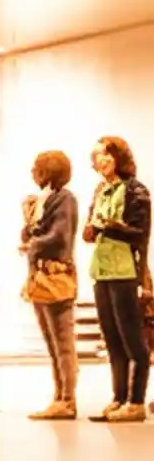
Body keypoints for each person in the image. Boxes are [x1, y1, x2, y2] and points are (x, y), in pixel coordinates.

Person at [83, 136, 151, 423]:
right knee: (111, 340)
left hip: (125, 273)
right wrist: (92, 230)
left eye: (108, 155)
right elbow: (91, 229)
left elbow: (140, 232)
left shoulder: (136, 190)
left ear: (120, 157)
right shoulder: (101, 190)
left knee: (133, 341)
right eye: (98, 156)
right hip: (102, 272)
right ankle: (118, 397)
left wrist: (110, 228)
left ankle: (136, 402)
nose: (102, 160)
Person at [19, 151, 80, 420]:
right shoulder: (45, 200)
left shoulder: (65, 199)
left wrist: (34, 243)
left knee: (63, 342)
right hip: (41, 278)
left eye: (36, 168)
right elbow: (36, 232)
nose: (32, 172)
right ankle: (59, 395)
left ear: (47, 172)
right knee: (52, 341)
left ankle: (67, 398)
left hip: (55, 277)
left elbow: (59, 235)